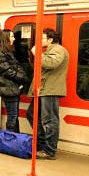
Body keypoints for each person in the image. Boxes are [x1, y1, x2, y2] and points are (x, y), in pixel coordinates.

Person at [26, 28, 69, 160]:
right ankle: (42, 143)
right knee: (32, 115)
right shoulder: (49, 51)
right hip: (43, 89)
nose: (39, 41)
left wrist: (36, 53)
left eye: (42, 38)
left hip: (50, 90)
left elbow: (51, 64)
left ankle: (49, 150)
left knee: (49, 120)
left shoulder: (58, 49)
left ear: (50, 40)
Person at [0, 30, 29, 132]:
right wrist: (22, 78)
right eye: (12, 36)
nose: (14, 38)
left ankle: (14, 138)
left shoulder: (7, 52)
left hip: (11, 86)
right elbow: (7, 71)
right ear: (5, 39)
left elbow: (15, 67)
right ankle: (10, 138)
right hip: (7, 87)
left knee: (14, 114)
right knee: (12, 115)